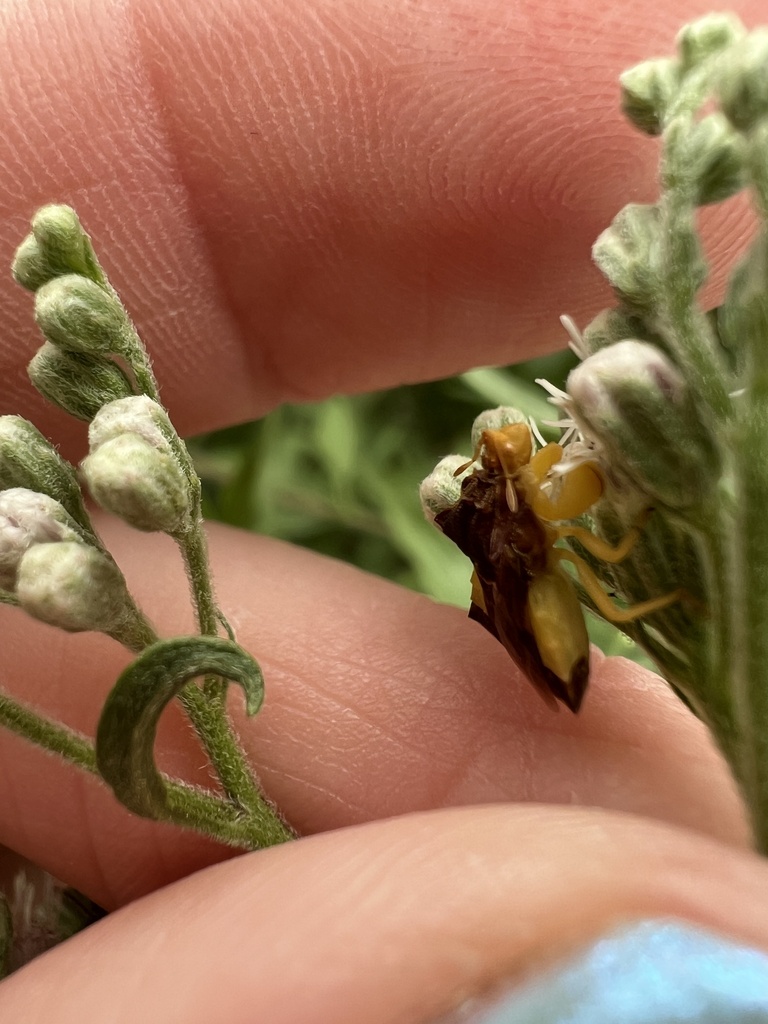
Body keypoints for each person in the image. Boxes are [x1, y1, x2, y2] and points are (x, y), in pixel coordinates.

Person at [0, 0, 766, 1020]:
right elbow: (561, 528)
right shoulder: (532, 500)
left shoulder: (538, 484)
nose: (510, 444)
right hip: (556, 627)